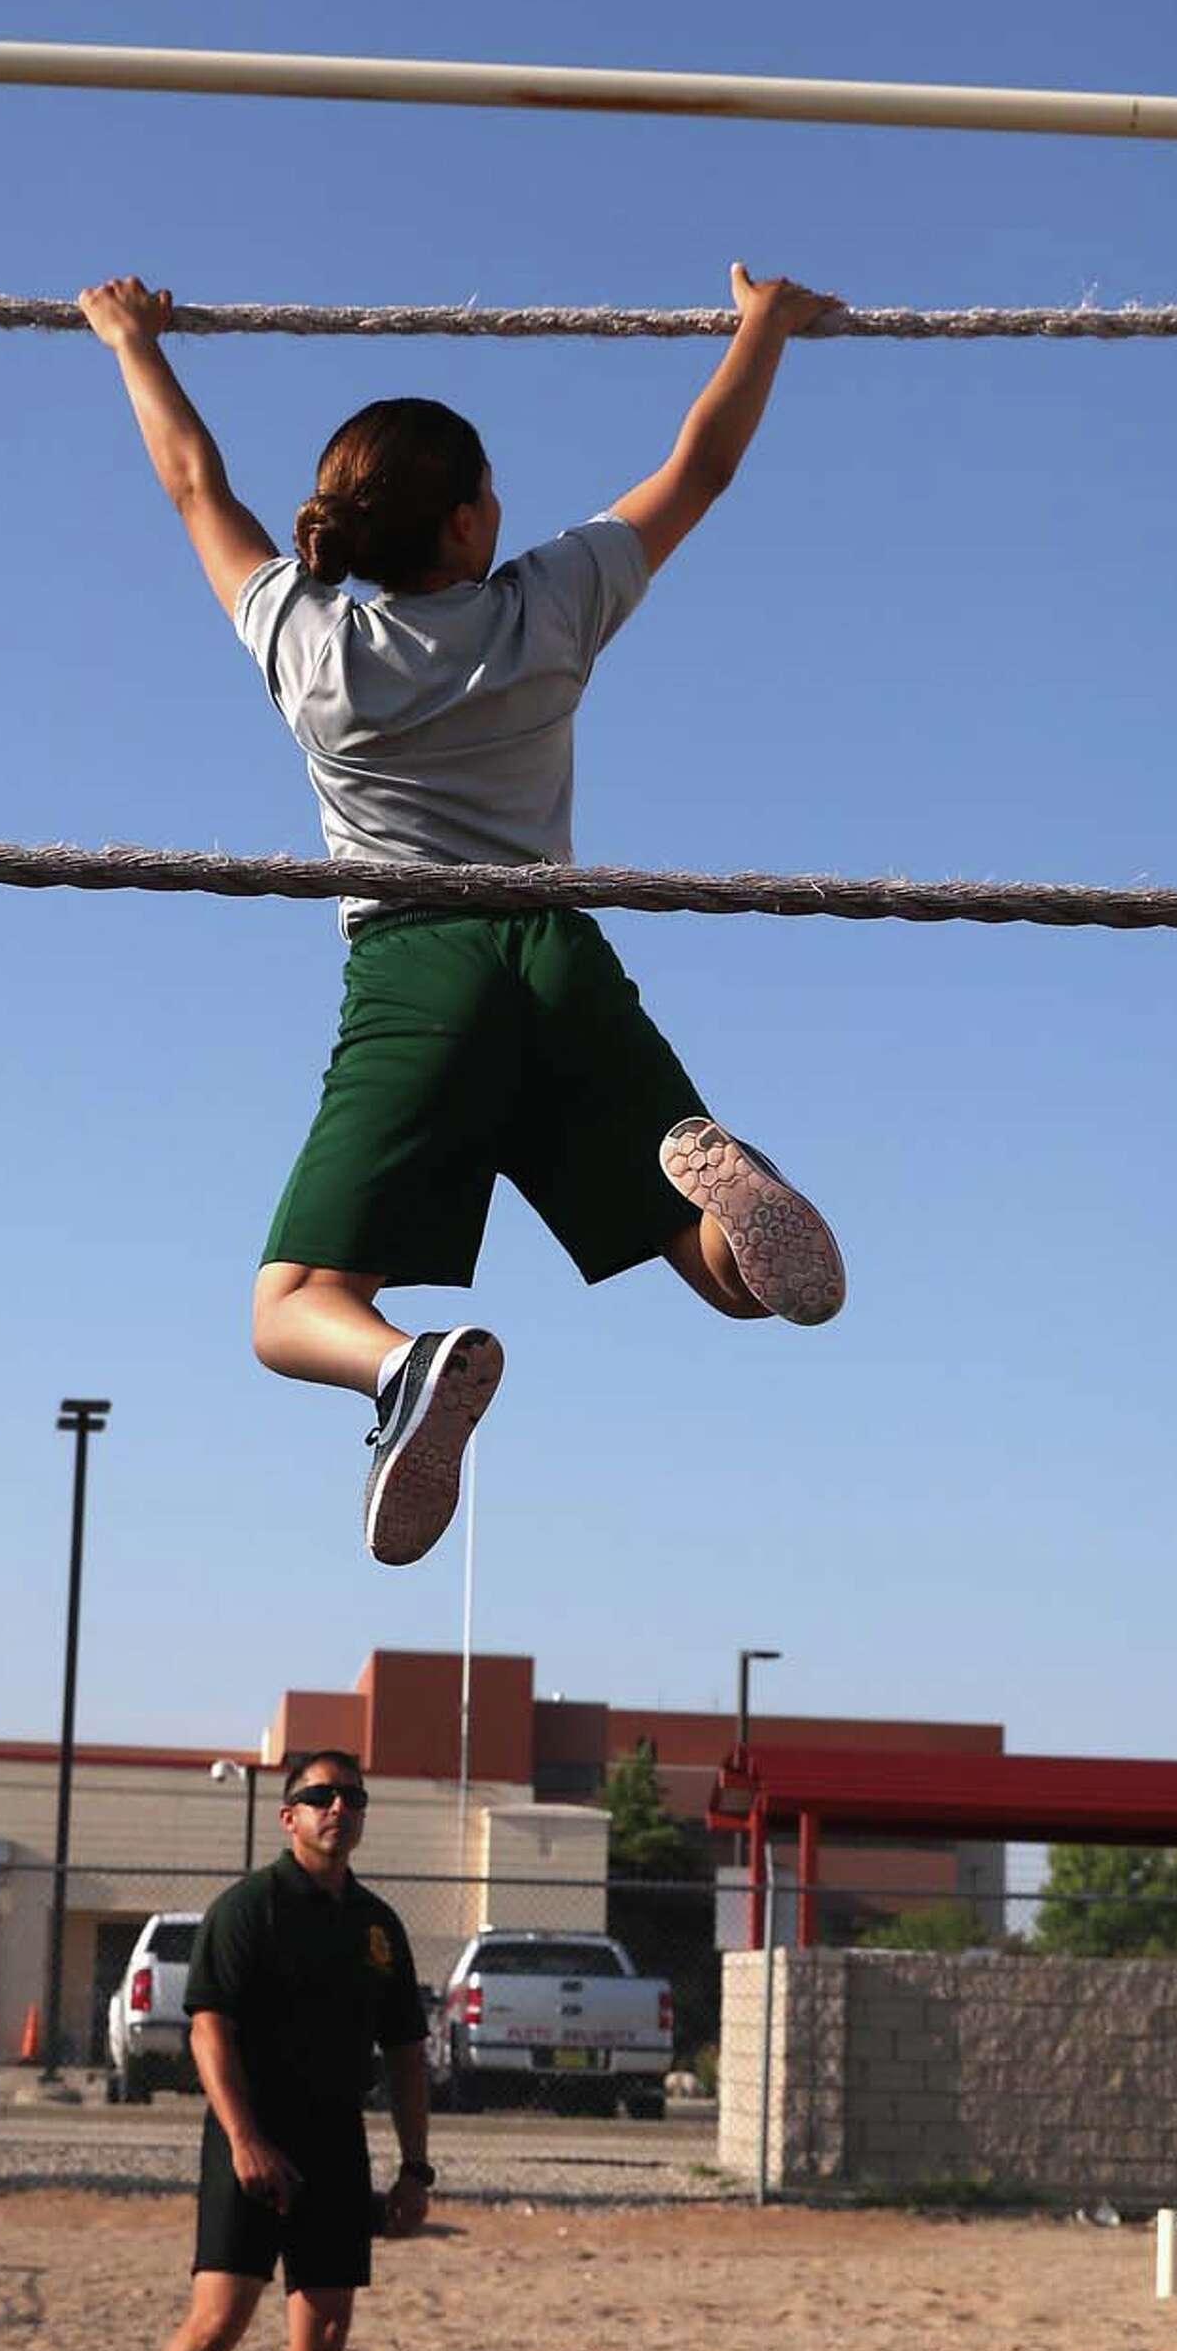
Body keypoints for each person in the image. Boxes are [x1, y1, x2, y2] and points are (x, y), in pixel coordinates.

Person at [78, 262, 849, 1565]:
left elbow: (195, 487)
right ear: (462, 530)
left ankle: (403, 1367)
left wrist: (129, 340)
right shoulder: (549, 609)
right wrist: (764, 326)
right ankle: (740, 1202)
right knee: (709, 1266)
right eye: (487, 487)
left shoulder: (310, 650)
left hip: (414, 972)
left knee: (291, 1308)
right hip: (558, 958)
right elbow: (698, 470)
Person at [73, 1745, 433, 2351]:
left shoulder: (377, 1925)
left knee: (326, 2325)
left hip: (335, 2139)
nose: (337, 1807)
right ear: (289, 1815)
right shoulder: (249, 1908)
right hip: (253, 2133)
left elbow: (408, 2051)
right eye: (320, 1796)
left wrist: (415, 2168)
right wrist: (242, 2137)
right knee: (218, 2320)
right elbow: (209, 2031)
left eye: (352, 1794)